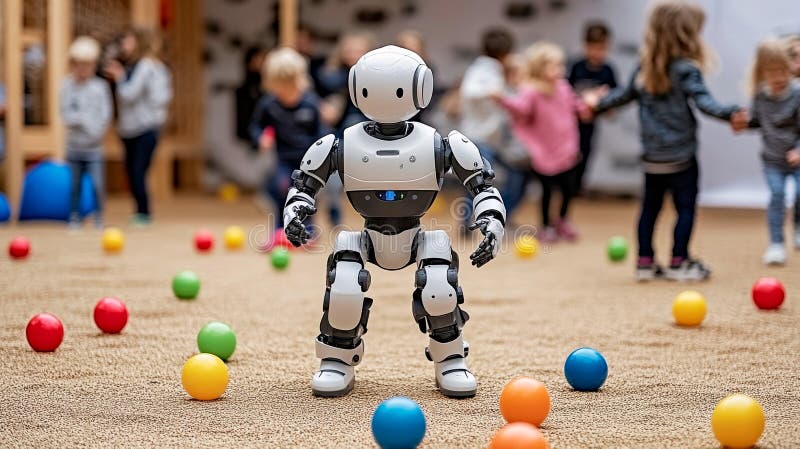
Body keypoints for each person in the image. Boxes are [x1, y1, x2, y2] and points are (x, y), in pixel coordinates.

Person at [583, 1, 748, 281]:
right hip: (681, 157)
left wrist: (595, 104)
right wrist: (732, 113)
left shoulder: (643, 69)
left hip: (652, 158)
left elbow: (620, 97)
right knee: (685, 207)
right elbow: (706, 103)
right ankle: (679, 261)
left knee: (650, 208)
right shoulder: (686, 70)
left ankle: (644, 262)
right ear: (686, 35)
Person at [493, 42, 592, 242]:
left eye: (561, 65)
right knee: (547, 190)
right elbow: (521, 109)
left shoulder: (563, 87)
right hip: (543, 150)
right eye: (554, 66)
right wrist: (503, 99)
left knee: (568, 188)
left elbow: (576, 105)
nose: (560, 70)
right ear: (539, 67)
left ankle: (562, 220)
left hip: (566, 147)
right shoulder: (531, 91)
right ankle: (547, 225)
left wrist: (588, 104)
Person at [249, 47, 326, 228]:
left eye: (289, 85)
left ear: (299, 80)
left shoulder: (310, 103)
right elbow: (256, 126)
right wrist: (261, 138)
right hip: (282, 159)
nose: (285, 91)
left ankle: (308, 229)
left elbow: (320, 132)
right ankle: (279, 228)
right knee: (281, 189)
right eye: (279, 86)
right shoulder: (268, 105)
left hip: (308, 161)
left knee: (307, 194)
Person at [104, 28, 173, 226]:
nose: (123, 46)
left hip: (143, 127)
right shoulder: (144, 66)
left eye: (127, 41)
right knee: (133, 170)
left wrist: (119, 77)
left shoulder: (145, 67)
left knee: (137, 170)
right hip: (131, 127)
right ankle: (140, 211)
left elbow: (128, 94)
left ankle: (143, 211)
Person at [742, 39, 800, 265]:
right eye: (771, 73)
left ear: (791, 69)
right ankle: (776, 244)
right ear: (761, 73)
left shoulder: (797, 96)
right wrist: (741, 122)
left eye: (783, 72)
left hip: (796, 160)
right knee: (777, 195)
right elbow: (755, 122)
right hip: (772, 160)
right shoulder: (760, 97)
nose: (778, 79)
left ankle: (797, 226)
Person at [459, 28, 514, 228]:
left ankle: (479, 221)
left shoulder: (489, 69)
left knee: (476, 184)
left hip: (486, 138)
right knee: (478, 185)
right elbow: (470, 91)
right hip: (478, 138)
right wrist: (492, 93)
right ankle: (477, 223)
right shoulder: (484, 69)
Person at [61, 37, 113, 229]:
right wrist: (82, 119)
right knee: (74, 186)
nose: (83, 69)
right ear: (73, 65)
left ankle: (99, 217)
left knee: (98, 185)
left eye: (88, 65)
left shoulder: (100, 87)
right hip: (73, 147)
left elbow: (105, 115)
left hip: (94, 148)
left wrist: (91, 129)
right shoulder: (66, 86)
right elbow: (66, 115)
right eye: (79, 65)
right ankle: (74, 217)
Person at [568, 21, 618, 193]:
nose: (598, 53)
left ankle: (575, 189)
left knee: (586, 154)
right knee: (569, 156)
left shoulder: (608, 70)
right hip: (570, 124)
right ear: (586, 46)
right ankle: (565, 188)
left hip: (590, 124)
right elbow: (565, 93)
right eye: (594, 48)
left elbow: (615, 97)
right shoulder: (576, 67)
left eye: (602, 48)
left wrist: (606, 107)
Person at [236, 46, 267, 147]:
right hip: (248, 140)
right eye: (259, 59)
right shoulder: (244, 91)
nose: (262, 63)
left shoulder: (268, 91)